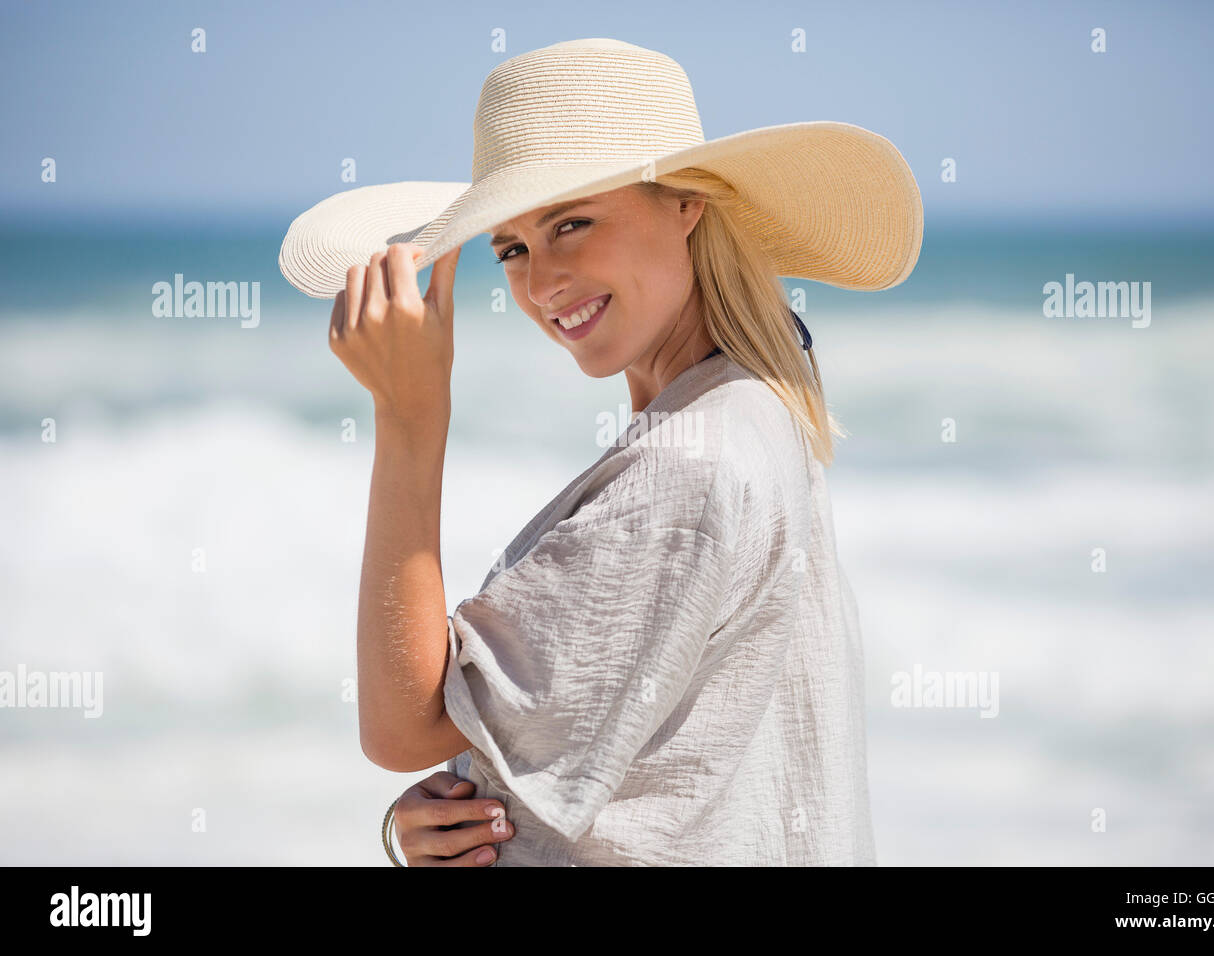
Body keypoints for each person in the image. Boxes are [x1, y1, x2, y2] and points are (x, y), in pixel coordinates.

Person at [278, 37, 922, 866]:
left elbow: (402, 729)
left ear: (686, 201)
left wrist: (409, 419)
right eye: (510, 248)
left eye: (571, 222)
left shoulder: (690, 465)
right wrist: (452, 807)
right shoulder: (749, 413)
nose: (541, 281)